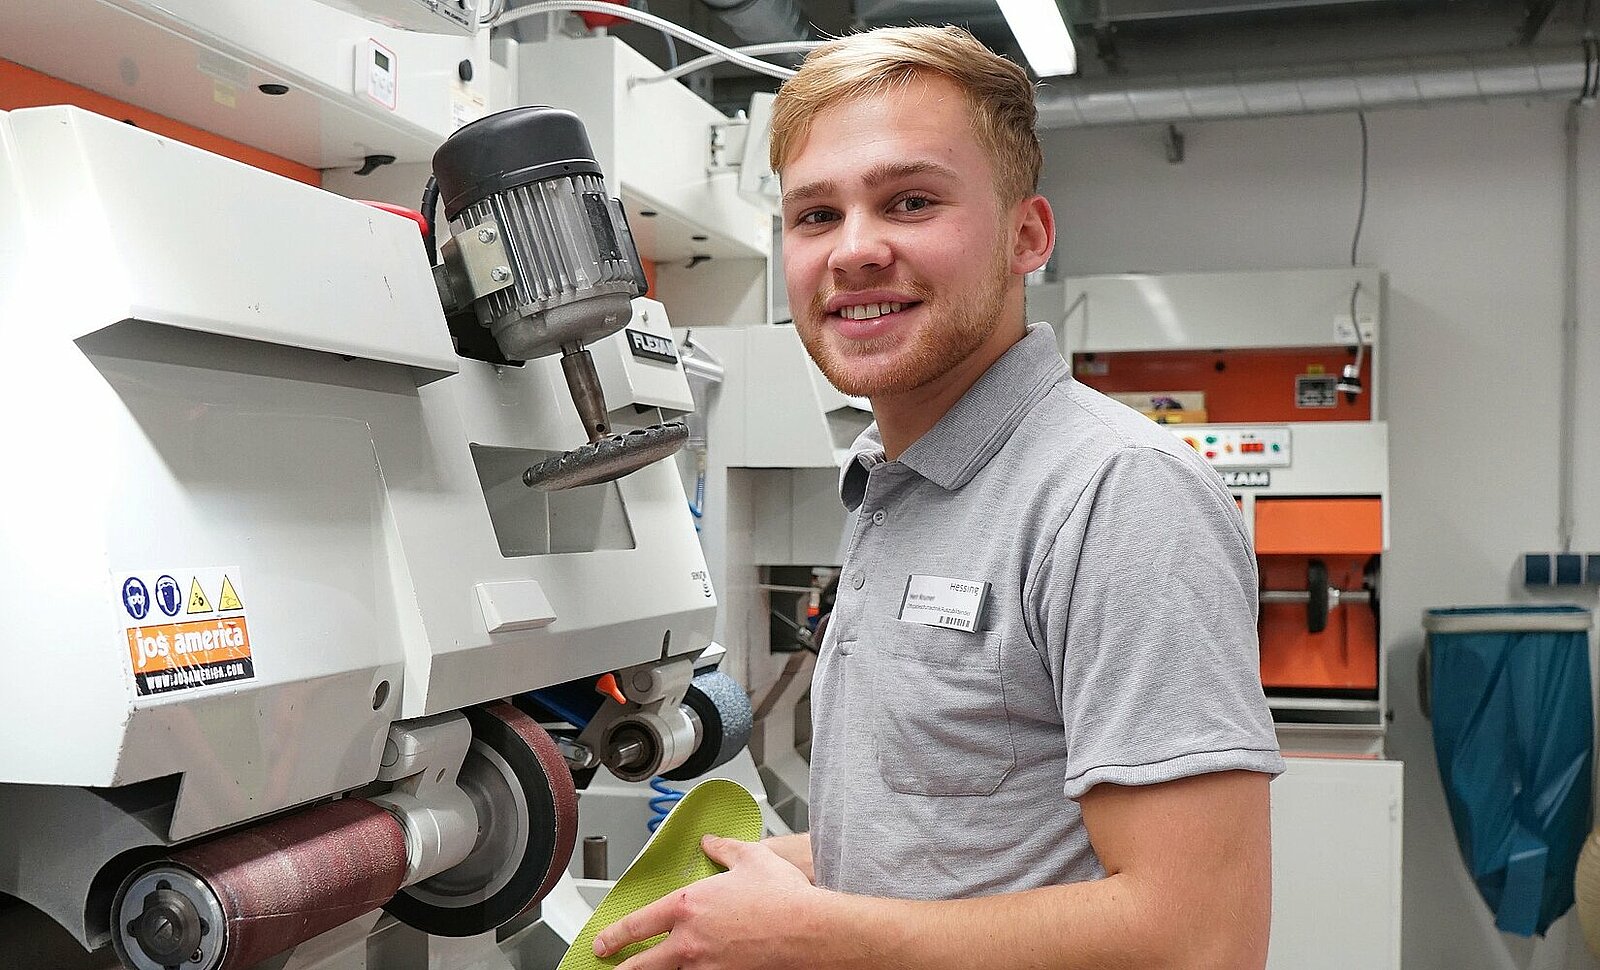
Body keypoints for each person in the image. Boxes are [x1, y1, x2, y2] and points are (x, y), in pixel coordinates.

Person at [594, 25, 1285, 969]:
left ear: (1026, 234)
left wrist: (814, 935)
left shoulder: (1118, 495)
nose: (855, 251)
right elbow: (963, 851)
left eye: (909, 201)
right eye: (815, 216)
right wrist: (765, 879)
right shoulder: (896, 481)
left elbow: (1203, 936)